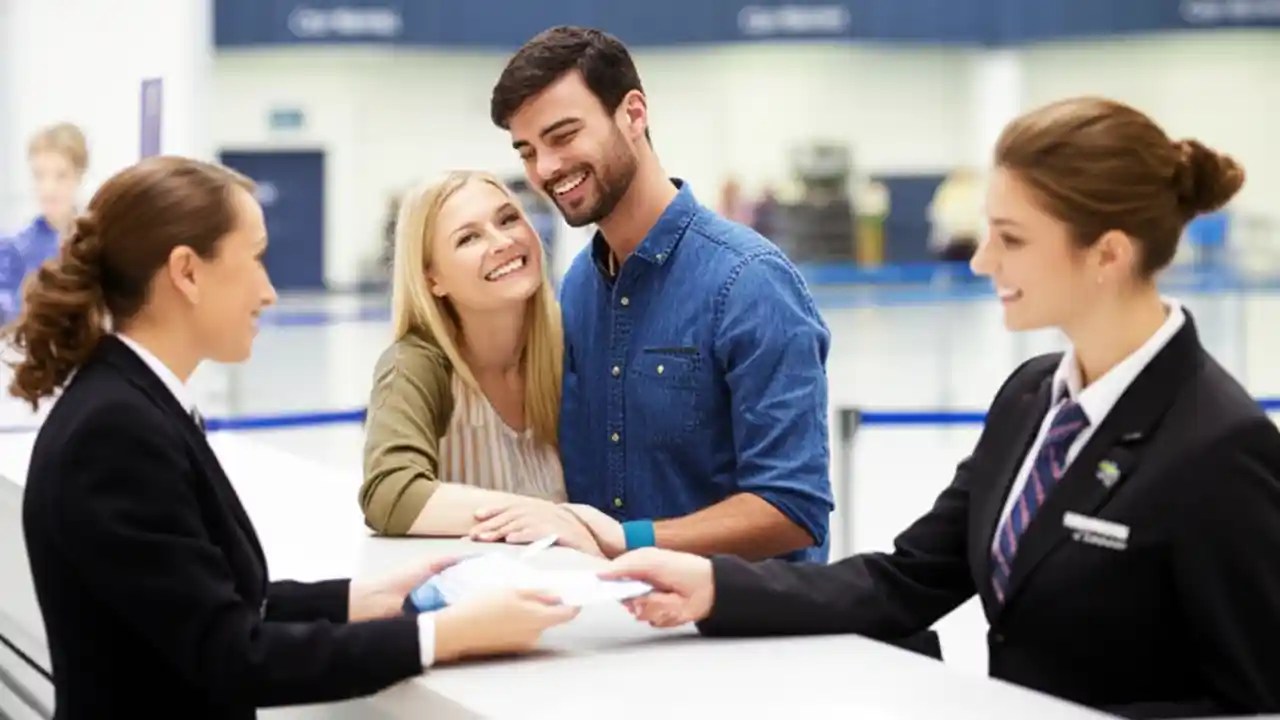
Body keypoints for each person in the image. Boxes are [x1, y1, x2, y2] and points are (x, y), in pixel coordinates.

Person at [600, 97, 1280, 719]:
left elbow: (1251, 702)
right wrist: (717, 588)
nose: (982, 261)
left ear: (1106, 253)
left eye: (1011, 239)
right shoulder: (1032, 399)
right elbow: (909, 578)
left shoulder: (1219, 447)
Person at [6, 156, 579, 719]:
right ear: (187, 273)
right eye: (255, 259)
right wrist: (441, 635)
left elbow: (207, 600)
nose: (270, 291)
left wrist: (359, 599)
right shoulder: (114, 432)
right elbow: (229, 653)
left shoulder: (133, 405)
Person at [476, 25, 835, 564]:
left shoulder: (749, 283)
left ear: (634, 114)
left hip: (740, 635)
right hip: (619, 624)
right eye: (527, 151)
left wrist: (631, 542)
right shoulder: (577, 289)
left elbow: (793, 510)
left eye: (564, 135)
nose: (545, 169)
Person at [360, 170, 602, 552]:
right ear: (433, 279)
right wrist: (539, 515)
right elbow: (390, 495)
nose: (502, 241)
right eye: (469, 238)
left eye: (508, 219)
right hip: (473, 601)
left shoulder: (567, 349)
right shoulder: (416, 365)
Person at [0, 122, 88, 323]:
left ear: (79, 175)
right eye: (39, 176)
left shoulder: (98, 242)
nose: (48, 188)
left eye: (61, 176)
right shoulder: (16, 250)